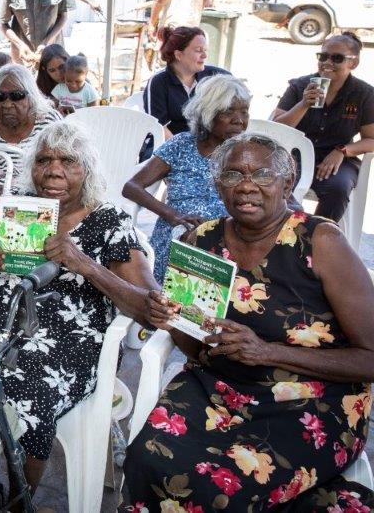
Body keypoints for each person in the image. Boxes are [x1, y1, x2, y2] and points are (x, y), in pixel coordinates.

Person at [125, 133, 374, 512]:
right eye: (232, 175)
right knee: (145, 459)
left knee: (220, 490)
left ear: (286, 183)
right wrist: (173, 320)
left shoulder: (320, 241)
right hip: (215, 388)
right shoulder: (199, 241)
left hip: (310, 401)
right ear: (217, 184)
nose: (245, 185)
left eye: (261, 174)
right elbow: (194, 345)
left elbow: (370, 358)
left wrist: (266, 352)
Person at [0, 120, 155, 498]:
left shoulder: (108, 221)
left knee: (28, 391)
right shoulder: (16, 206)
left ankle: (21, 497)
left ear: (88, 170)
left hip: (61, 341)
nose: (53, 171)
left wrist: (87, 265)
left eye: (68, 161)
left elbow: (149, 306)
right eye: (44, 160)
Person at [124, 75, 251, 280]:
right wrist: (172, 215)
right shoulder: (182, 145)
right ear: (208, 113)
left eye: (244, 112)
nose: (239, 120)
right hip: (180, 232)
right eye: (229, 111)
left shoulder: (246, 152)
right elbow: (132, 187)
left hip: (230, 234)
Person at [271, 32, 374, 221]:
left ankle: (318, 237)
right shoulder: (300, 86)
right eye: (323, 56)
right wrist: (302, 105)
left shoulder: (364, 94)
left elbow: (371, 139)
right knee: (278, 182)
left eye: (337, 58)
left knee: (338, 189)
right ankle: (282, 235)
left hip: (337, 157)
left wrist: (342, 151)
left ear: (354, 63)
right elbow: (276, 129)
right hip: (296, 155)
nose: (327, 62)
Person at [0, 64, 61, 210]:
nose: (7, 104)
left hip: (38, 207)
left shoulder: (48, 122)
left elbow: (58, 176)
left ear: (31, 97)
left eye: (16, 96)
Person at [143, 25, 229, 137]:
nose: (204, 55)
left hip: (210, 146)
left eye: (205, 50)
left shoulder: (217, 77)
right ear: (178, 55)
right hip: (170, 148)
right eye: (198, 50)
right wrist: (186, 151)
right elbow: (158, 127)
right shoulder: (159, 82)